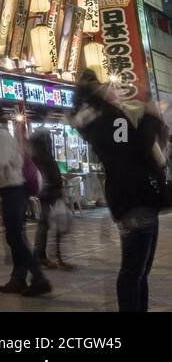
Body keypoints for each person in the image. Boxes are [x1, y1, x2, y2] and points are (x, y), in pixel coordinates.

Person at [71, 70, 170, 311]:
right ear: (95, 94)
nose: (113, 89)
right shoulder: (107, 120)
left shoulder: (105, 119)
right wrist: (151, 117)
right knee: (133, 271)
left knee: (139, 271)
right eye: (105, 87)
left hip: (136, 198)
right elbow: (136, 149)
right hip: (134, 198)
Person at [0, 104, 52, 296]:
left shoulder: (0, 135)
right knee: (16, 236)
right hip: (12, 190)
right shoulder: (1, 135)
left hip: (14, 190)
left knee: (15, 237)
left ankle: (38, 277)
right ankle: (18, 279)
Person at [29, 129, 71, 270]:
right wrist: (58, 187)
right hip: (51, 192)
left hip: (47, 192)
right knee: (52, 223)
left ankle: (43, 255)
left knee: (46, 223)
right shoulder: (42, 155)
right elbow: (48, 174)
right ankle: (48, 255)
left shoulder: (37, 154)